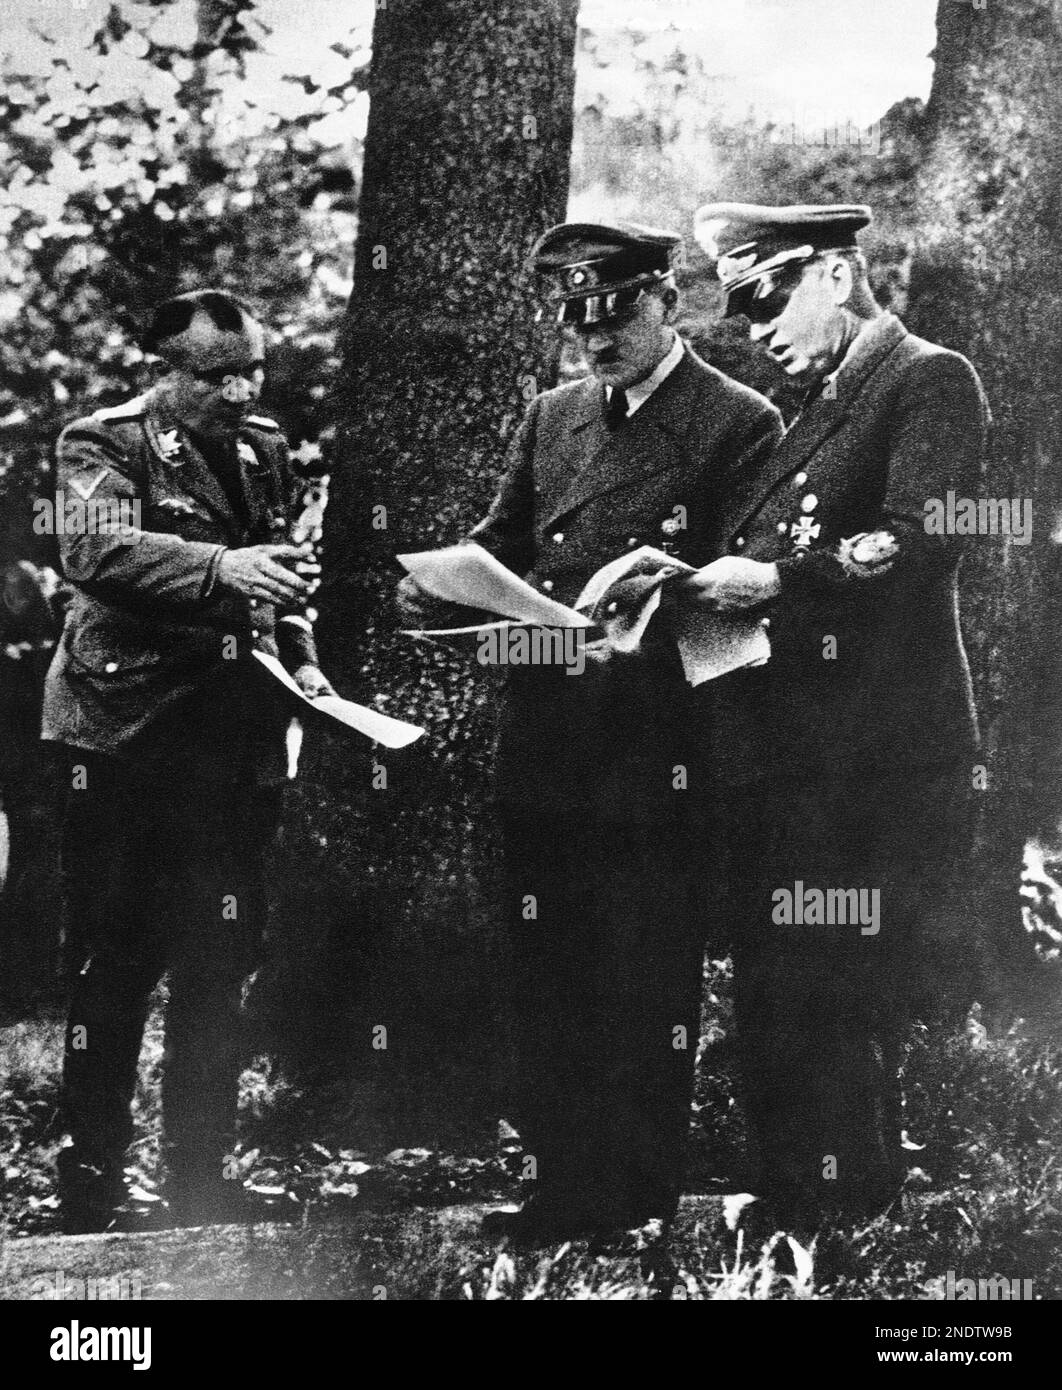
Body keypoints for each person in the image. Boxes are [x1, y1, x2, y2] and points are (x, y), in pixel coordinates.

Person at [399, 221, 783, 1241]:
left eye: (614, 315)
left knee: (644, 970)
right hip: (546, 742)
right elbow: (500, 547)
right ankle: (563, 1187)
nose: (595, 339)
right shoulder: (552, 416)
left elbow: (736, 603)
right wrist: (436, 593)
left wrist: (627, 634)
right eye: (576, 319)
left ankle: (636, 1201)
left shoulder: (737, 419)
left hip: (658, 747)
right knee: (549, 968)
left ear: (666, 302)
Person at [684, 202, 990, 1225]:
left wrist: (770, 581)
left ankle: (838, 1203)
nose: (759, 327)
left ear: (830, 274)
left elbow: (916, 540)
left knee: (836, 979)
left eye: (770, 295)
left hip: (879, 756)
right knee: (783, 979)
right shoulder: (811, 410)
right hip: (793, 752)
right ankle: (802, 1199)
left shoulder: (925, 379)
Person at [42, 289, 333, 1232]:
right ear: (164, 369)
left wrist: (306, 665)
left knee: (221, 959)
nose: (242, 390)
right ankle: (88, 1178)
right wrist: (221, 570)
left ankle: (199, 1177)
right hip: (122, 738)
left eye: (254, 369)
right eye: (218, 376)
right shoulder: (102, 443)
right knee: (118, 959)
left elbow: (278, 581)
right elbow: (90, 551)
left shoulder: (264, 448)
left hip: (233, 743)